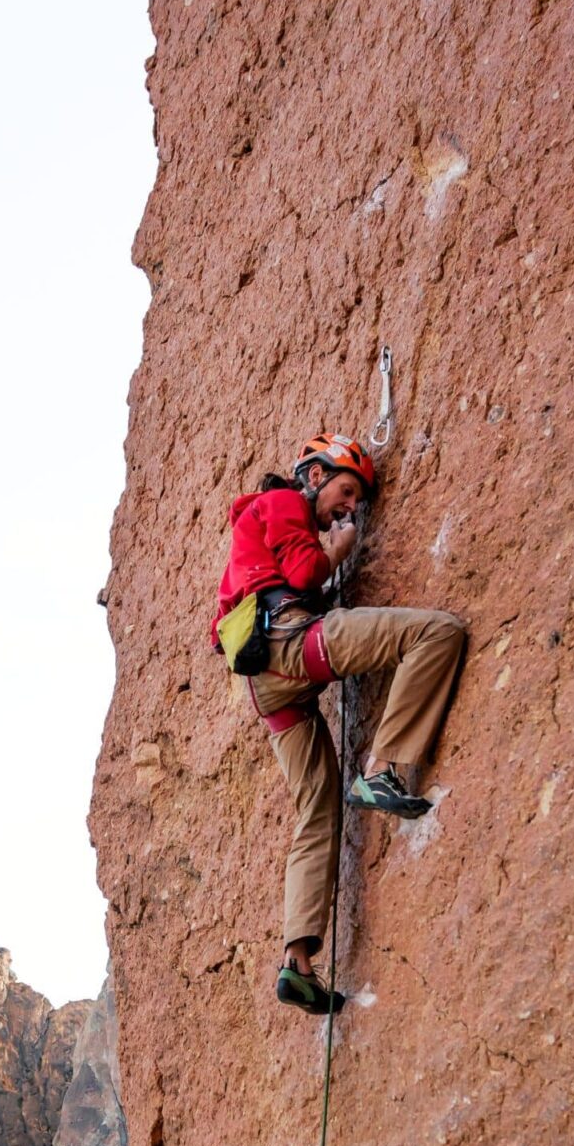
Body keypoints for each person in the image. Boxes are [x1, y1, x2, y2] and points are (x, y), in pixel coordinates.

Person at [212, 433, 466, 1015]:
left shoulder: (265, 522)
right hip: (293, 645)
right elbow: (303, 574)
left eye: (353, 502)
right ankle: (382, 770)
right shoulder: (280, 502)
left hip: (267, 687)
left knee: (317, 812)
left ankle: (297, 962)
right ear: (314, 475)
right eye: (344, 491)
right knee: (437, 632)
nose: (347, 507)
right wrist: (342, 545)